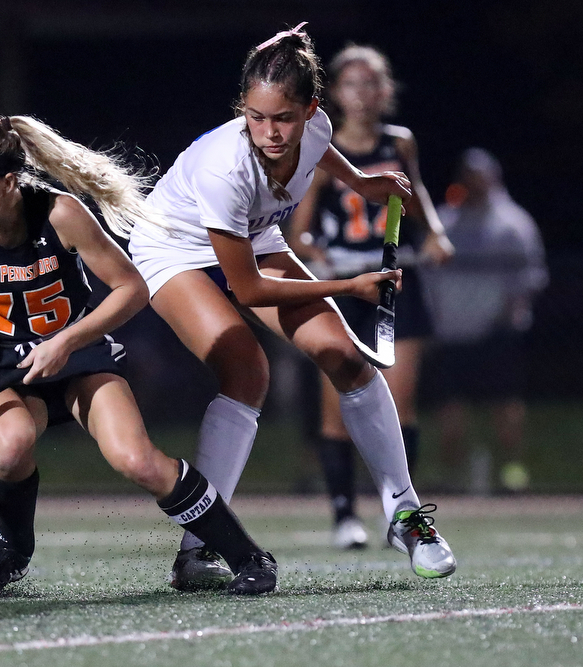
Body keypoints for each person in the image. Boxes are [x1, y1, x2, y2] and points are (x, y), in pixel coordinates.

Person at [0, 111, 277, 597]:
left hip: (77, 359)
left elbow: (131, 289)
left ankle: (248, 558)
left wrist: (67, 342)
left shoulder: (60, 214)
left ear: (9, 181)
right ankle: (12, 550)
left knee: (135, 459)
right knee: (9, 447)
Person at [127, 23, 456, 588]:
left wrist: (362, 183)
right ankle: (198, 548)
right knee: (247, 372)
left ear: (310, 110)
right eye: (256, 117)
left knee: (347, 358)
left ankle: (404, 516)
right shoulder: (224, 168)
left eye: (283, 118)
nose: (270, 132)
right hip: (175, 248)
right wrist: (349, 287)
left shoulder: (315, 128)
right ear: (243, 111)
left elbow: (318, 151)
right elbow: (250, 290)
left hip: (254, 237)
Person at [285, 44, 454, 549]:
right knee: (338, 403)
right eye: (353, 84)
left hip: (395, 283)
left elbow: (415, 193)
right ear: (336, 92)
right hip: (344, 286)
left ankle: (401, 517)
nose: (363, 94)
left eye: (372, 83)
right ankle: (343, 515)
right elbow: (301, 228)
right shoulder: (322, 144)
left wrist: (435, 233)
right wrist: (313, 249)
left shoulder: (399, 142)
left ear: (385, 91)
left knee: (400, 407)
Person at [423, 147, 548, 493]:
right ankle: (453, 477)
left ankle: (513, 472)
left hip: (497, 332)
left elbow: (531, 277)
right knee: (449, 410)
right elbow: (427, 277)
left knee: (505, 405)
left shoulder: (513, 224)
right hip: (451, 333)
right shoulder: (444, 222)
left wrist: (508, 316)